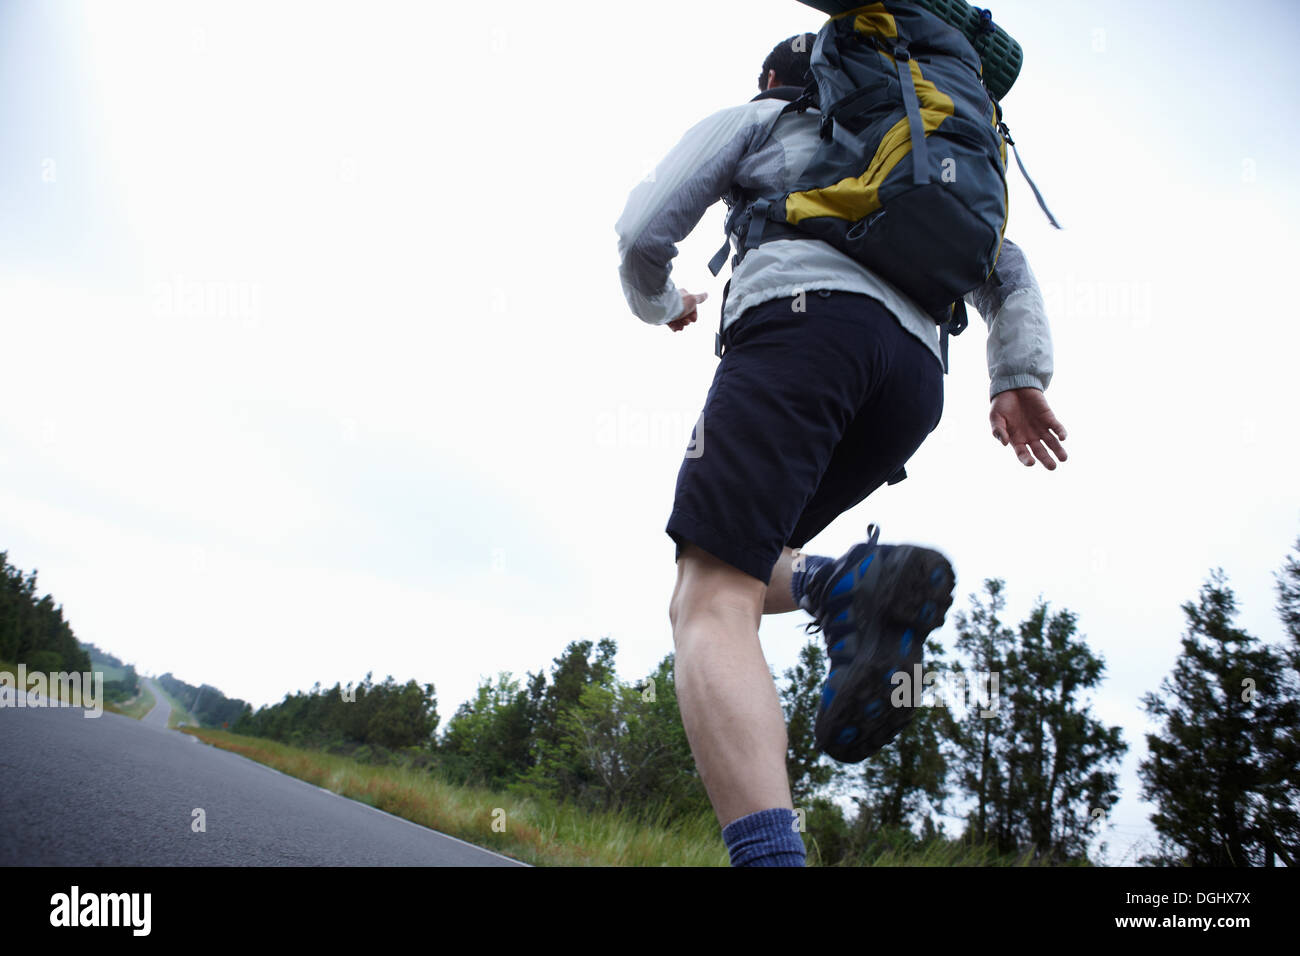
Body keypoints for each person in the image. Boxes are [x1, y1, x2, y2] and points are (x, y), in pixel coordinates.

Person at [614, 34, 1068, 867]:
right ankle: (838, 582)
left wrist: (661, 302)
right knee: (747, 564)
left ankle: (769, 859)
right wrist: (1018, 374)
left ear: (776, 78)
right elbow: (1005, 265)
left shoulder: (767, 117)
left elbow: (646, 228)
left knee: (707, 595)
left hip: (802, 329)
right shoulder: (930, 145)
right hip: (911, 383)